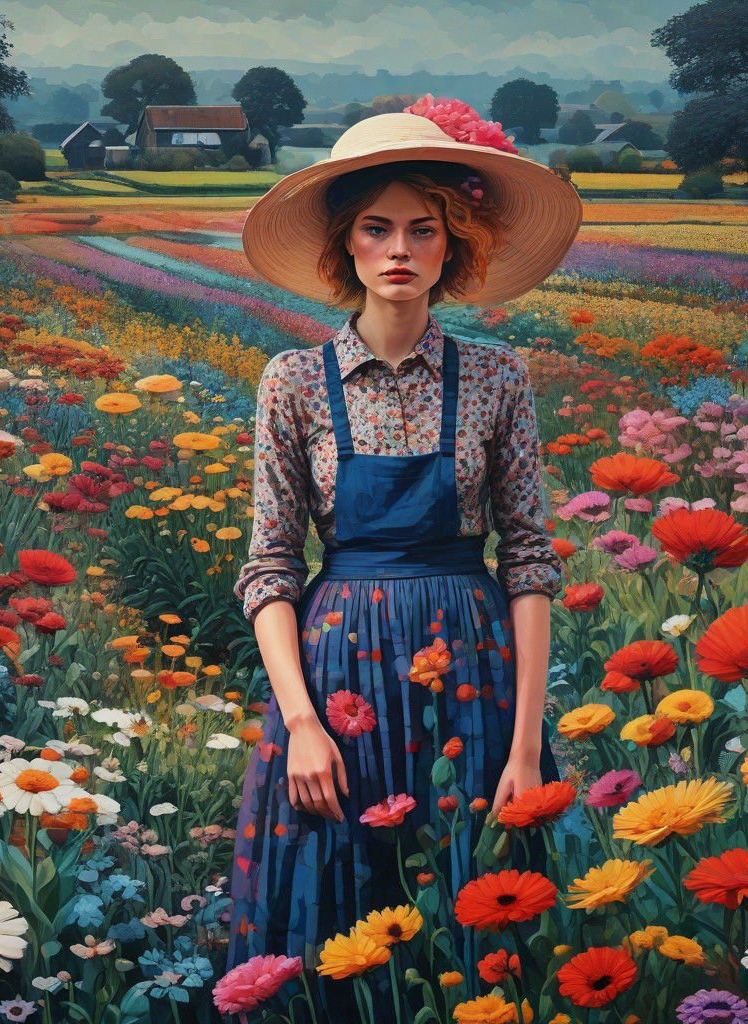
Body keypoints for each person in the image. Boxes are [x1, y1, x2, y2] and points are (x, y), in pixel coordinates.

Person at [220, 105, 583, 1023]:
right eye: (376, 228)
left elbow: (529, 560)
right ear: (344, 244)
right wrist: (301, 721)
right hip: (337, 676)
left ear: (452, 243)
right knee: (343, 900)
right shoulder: (293, 382)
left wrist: (527, 743)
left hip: (473, 672)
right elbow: (269, 564)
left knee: (479, 899)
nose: (400, 250)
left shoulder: (497, 376)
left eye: (423, 229)